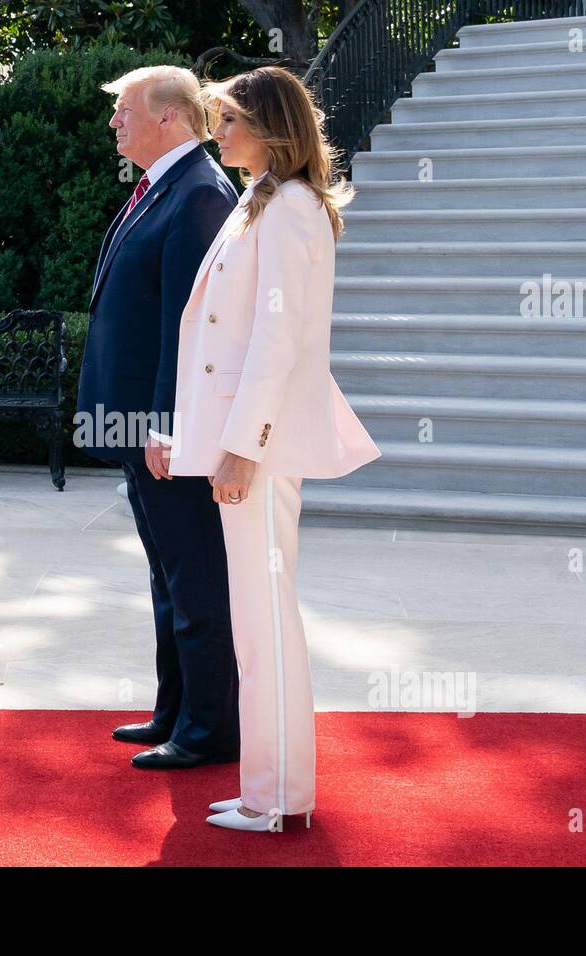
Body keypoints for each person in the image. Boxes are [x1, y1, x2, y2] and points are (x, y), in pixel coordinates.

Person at [155, 66, 382, 830]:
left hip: (264, 445)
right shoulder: (262, 201)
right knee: (255, 618)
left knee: (265, 619)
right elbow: (225, 337)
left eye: (229, 122)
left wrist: (243, 446)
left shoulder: (287, 208)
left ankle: (279, 796)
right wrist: (192, 438)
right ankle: (268, 787)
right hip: (247, 438)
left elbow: (275, 341)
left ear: (269, 125)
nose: (218, 134)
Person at [75, 66, 243, 769]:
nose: (114, 122)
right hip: (131, 422)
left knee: (195, 575)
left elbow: (191, 328)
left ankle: (211, 730)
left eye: (123, 110)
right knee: (166, 575)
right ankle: (174, 710)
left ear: (170, 117)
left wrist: (165, 425)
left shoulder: (201, 193)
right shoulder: (162, 186)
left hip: (163, 430)